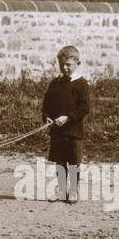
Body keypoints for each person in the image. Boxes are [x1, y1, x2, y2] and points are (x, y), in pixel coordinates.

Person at [43, 45, 90, 203]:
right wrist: (47, 117)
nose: (65, 68)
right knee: (60, 162)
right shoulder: (55, 84)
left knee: (73, 162)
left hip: (74, 131)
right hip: (57, 131)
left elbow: (84, 107)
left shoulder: (81, 84)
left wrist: (68, 118)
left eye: (68, 65)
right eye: (62, 65)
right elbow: (46, 104)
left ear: (78, 63)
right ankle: (62, 190)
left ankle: (74, 191)